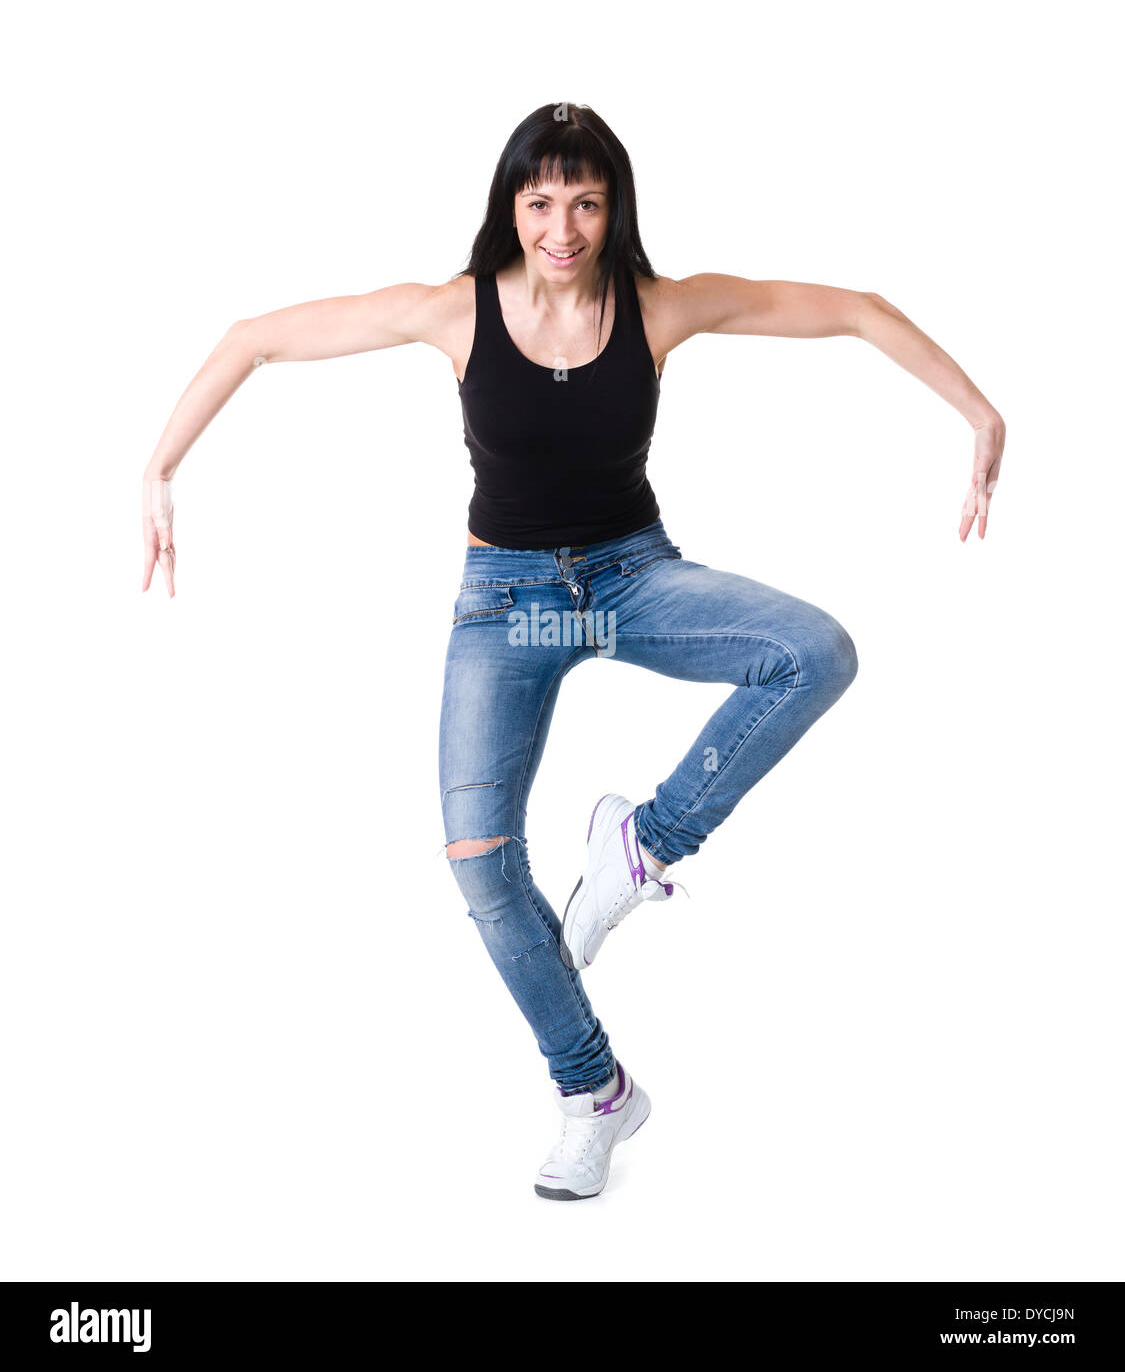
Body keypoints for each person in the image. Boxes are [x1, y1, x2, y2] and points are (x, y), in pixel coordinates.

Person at [141, 102, 1005, 1202]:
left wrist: (979, 413)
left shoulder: (657, 307)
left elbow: (855, 310)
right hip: (508, 603)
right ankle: (593, 1090)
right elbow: (251, 339)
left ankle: (643, 843)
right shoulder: (453, 312)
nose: (563, 226)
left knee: (815, 651)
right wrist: (160, 470)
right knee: (477, 860)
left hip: (631, 580)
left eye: (586, 202)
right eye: (542, 201)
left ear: (614, 208)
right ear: (511, 205)